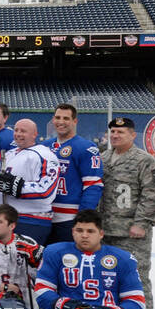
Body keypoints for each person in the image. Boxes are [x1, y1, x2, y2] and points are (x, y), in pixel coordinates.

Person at [32, 210, 147, 309]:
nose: (84, 235)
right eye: (79, 231)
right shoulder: (54, 252)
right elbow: (42, 289)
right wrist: (61, 305)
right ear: (72, 232)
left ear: (101, 234)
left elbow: (137, 303)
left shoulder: (123, 259)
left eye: (90, 231)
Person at [99, 117, 155, 309]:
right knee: (108, 277)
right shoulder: (103, 159)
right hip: (105, 231)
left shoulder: (144, 161)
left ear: (132, 135)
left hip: (131, 231)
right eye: (113, 132)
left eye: (121, 132)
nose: (116, 135)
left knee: (137, 276)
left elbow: (152, 195)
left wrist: (142, 223)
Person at [0, 118, 61, 243]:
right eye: (16, 130)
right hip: (5, 219)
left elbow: (47, 191)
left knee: (26, 260)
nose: (18, 134)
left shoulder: (45, 155)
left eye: (23, 131)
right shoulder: (9, 154)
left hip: (31, 220)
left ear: (34, 134)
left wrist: (18, 187)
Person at [44, 103, 103, 244]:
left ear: (74, 121)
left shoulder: (87, 148)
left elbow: (93, 185)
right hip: (43, 216)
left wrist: (83, 218)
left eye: (66, 118)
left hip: (69, 219)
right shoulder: (44, 147)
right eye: (58, 117)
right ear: (53, 120)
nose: (61, 122)